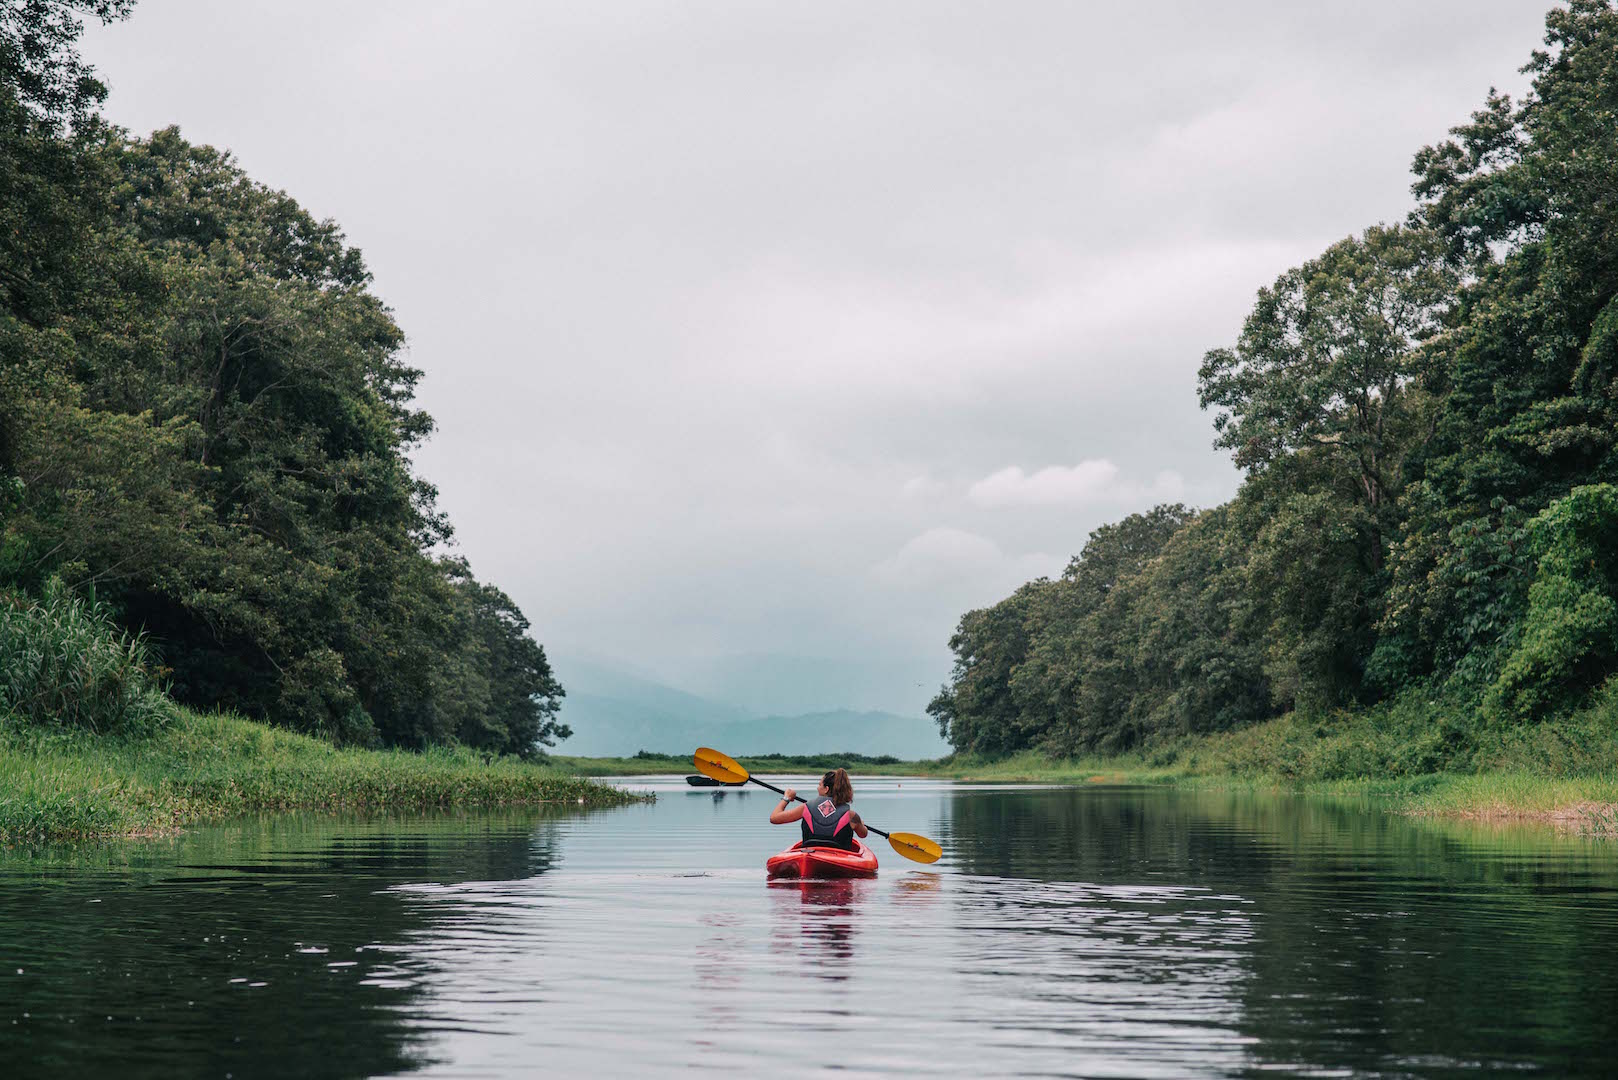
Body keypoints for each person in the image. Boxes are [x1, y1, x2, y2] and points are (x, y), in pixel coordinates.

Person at [769, 768, 868, 851]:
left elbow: (774, 818)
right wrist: (860, 824)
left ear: (826, 789)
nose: (817, 788)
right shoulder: (852, 816)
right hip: (839, 856)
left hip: (811, 852)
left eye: (820, 785)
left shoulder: (806, 807)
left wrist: (786, 798)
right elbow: (863, 834)